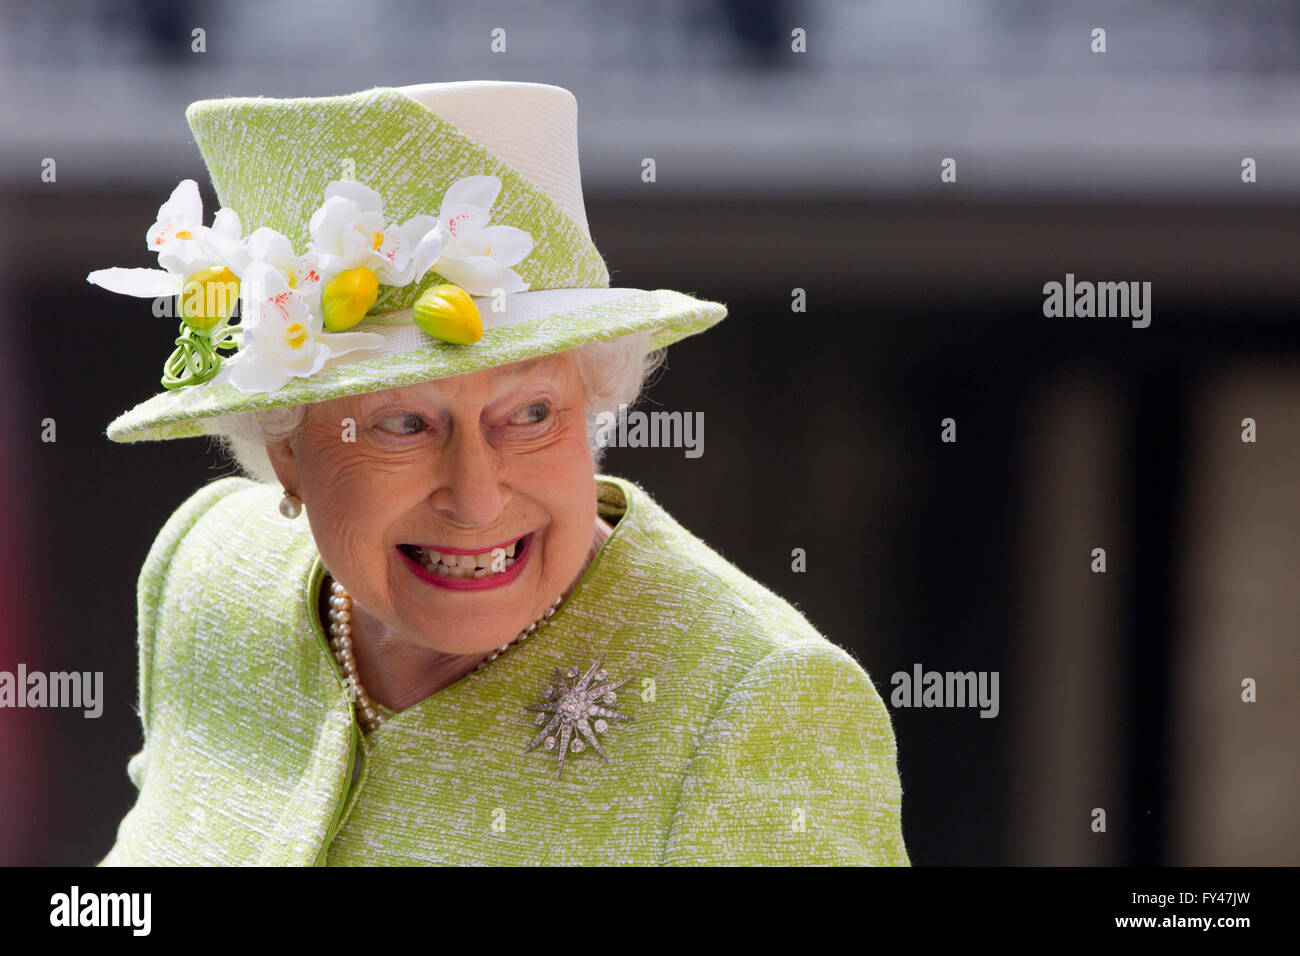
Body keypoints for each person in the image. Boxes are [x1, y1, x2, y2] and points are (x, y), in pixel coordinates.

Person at [88, 80, 909, 865]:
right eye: (404, 424)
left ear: (591, 401)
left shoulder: (758, 708)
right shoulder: (208, 575)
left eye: (530, 415)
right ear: (286, 451)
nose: (477, 499)